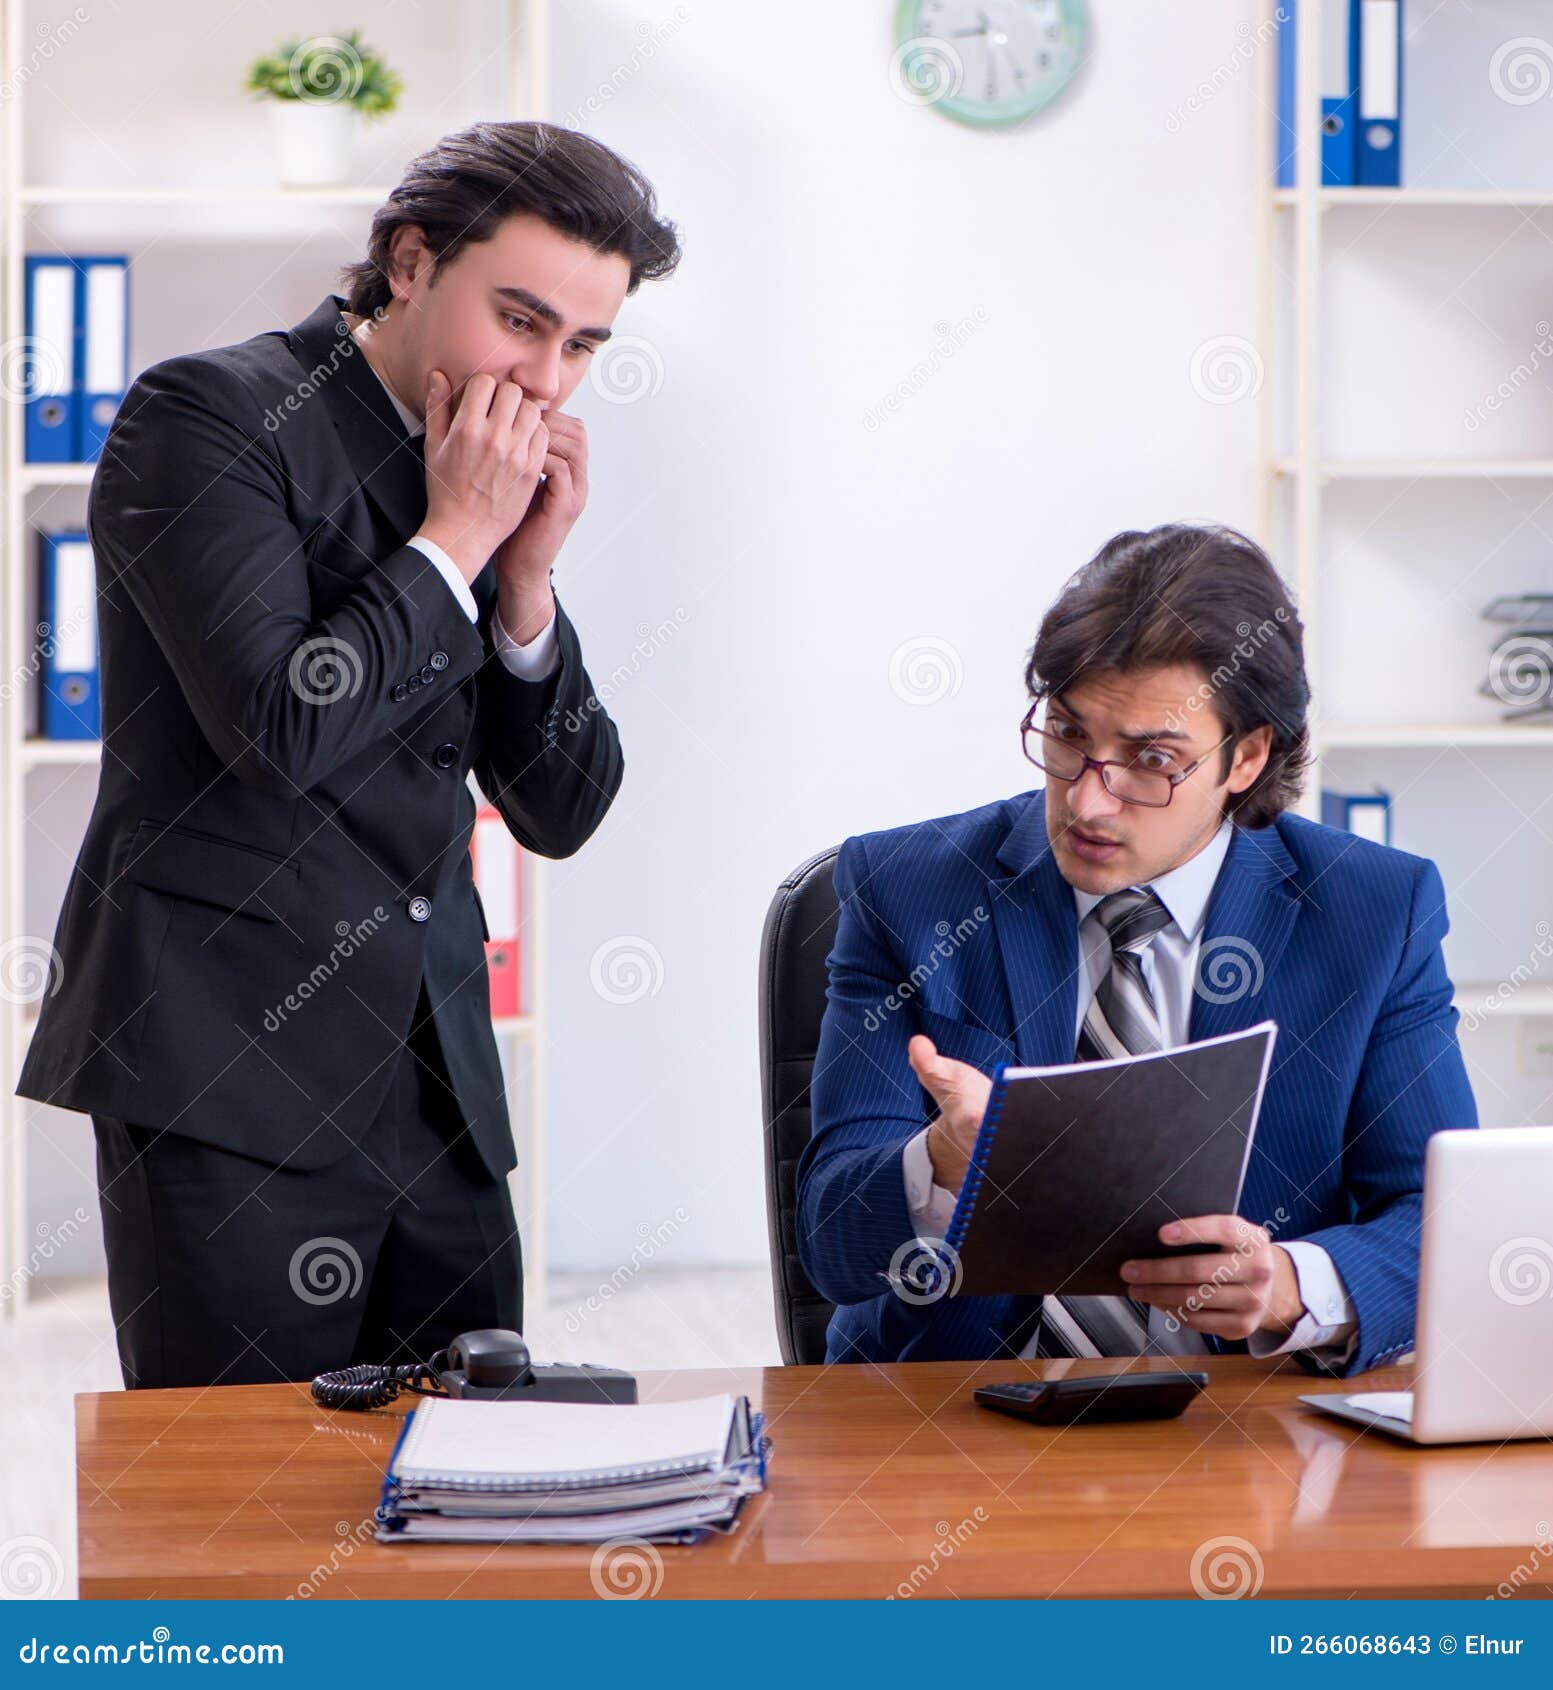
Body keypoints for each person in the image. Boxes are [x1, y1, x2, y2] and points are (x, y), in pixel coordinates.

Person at [16, 121, 681, 1389]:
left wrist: (526, 584)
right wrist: (456, 540)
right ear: (410, 261)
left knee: (473, 1487)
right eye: (520, 319)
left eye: (582, 345)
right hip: (227, 1075)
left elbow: (559, 807)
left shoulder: (487, 491)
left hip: (439, 1092)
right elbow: (283, 726)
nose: (545, 378)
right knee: (240, 1520)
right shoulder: (206, 417)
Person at [796, 522, 1478, 1375]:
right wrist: (938, 1166)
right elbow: (828, 1242)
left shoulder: (1373, 911)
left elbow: (1439, 1219)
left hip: (1246, 1425)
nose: (1088, 802)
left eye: (1151, 760)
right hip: (953, 1415)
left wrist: (1294, 1286)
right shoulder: (907, 889)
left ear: (1246, 756)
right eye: (1070, 737)